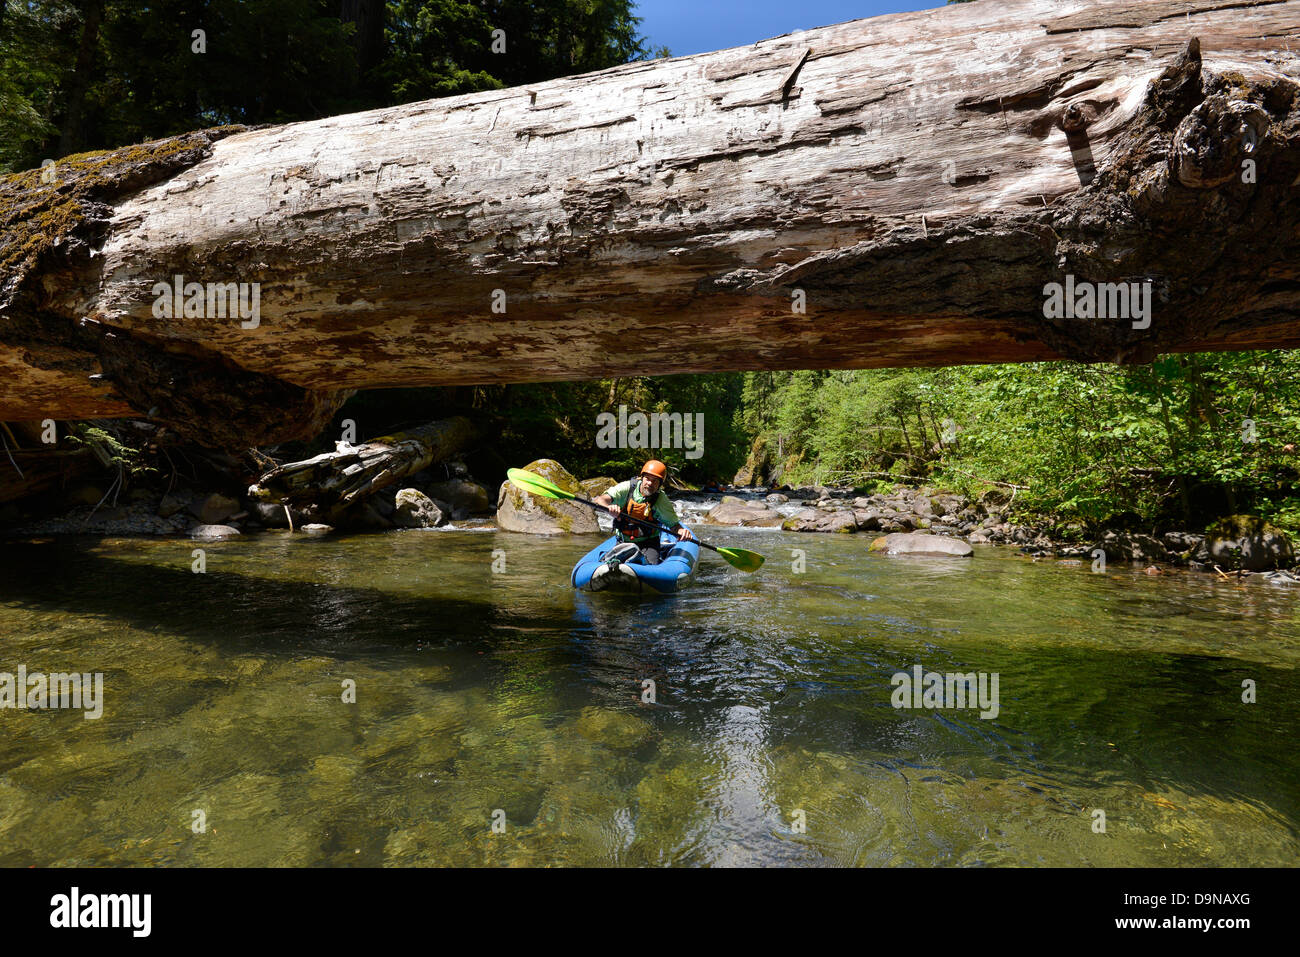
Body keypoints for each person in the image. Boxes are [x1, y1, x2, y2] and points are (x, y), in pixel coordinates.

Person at [592, 459, 694, 565]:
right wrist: (609, 508)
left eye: (655, 481)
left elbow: (674, 526)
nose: (650, 483)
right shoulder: (626, 488)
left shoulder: (661, 500)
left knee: (651, 565)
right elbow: (600, 500)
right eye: (648, 479)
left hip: (648, 544)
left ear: (660, 484)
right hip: (623, 541)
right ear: (642, 477)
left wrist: (681, 531)